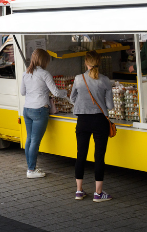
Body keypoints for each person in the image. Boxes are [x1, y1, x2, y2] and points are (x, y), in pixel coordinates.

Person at [70, 51, 114, 202]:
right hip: (99, 121)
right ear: (99, 62)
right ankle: (98, 193)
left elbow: (72, 98)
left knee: (81, 154)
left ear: (86, 63)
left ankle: (79, 191)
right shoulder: (105, 80)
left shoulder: (78, 79)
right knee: (99, 156)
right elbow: (110, 105)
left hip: (82, 120)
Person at [20, 48, 68, 178]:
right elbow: (57, 92)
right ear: (44, 60)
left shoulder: (26, 73)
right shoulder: (45, 74)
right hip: (40, 109)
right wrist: (67, 92)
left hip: (27, 109)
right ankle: (31, 170)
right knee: (35, 141)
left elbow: (22, 92)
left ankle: (30, 168)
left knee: (29, 139)